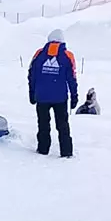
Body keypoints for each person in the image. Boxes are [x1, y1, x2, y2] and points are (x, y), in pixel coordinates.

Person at [28, 29, 78, 157]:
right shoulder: (68, 56)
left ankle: (43, 149)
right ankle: (66, 152)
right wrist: (74, 96)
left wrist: (32, 92)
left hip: (41, 96)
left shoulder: (39, 54)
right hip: (60, 97)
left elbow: (32, 74)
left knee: (43, 124)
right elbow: (72, 78)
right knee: (63, 125)